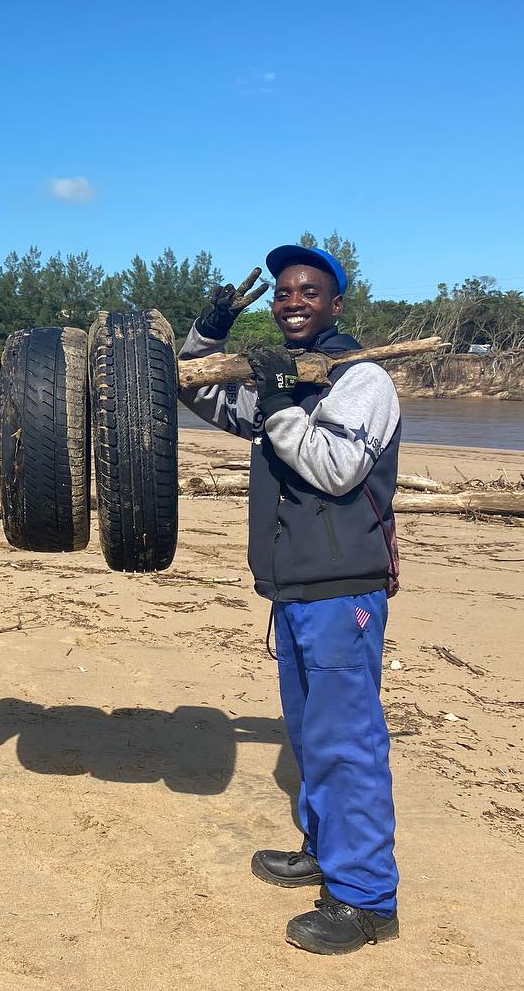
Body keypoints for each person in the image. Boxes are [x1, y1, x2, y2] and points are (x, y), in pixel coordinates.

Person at [179, 244, 402, 955]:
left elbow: (335, 468)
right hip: (296, 588)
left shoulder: (363, 380)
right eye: (282, 293)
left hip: (344, 593)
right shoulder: (290, 380)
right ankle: (322, 846)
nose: (292, 301)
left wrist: (276, 401)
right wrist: (209, 331)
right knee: (310, 736)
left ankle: (367, 901)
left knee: (348, 744)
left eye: (309, 292)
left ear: (337, 305)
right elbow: (197, 389)